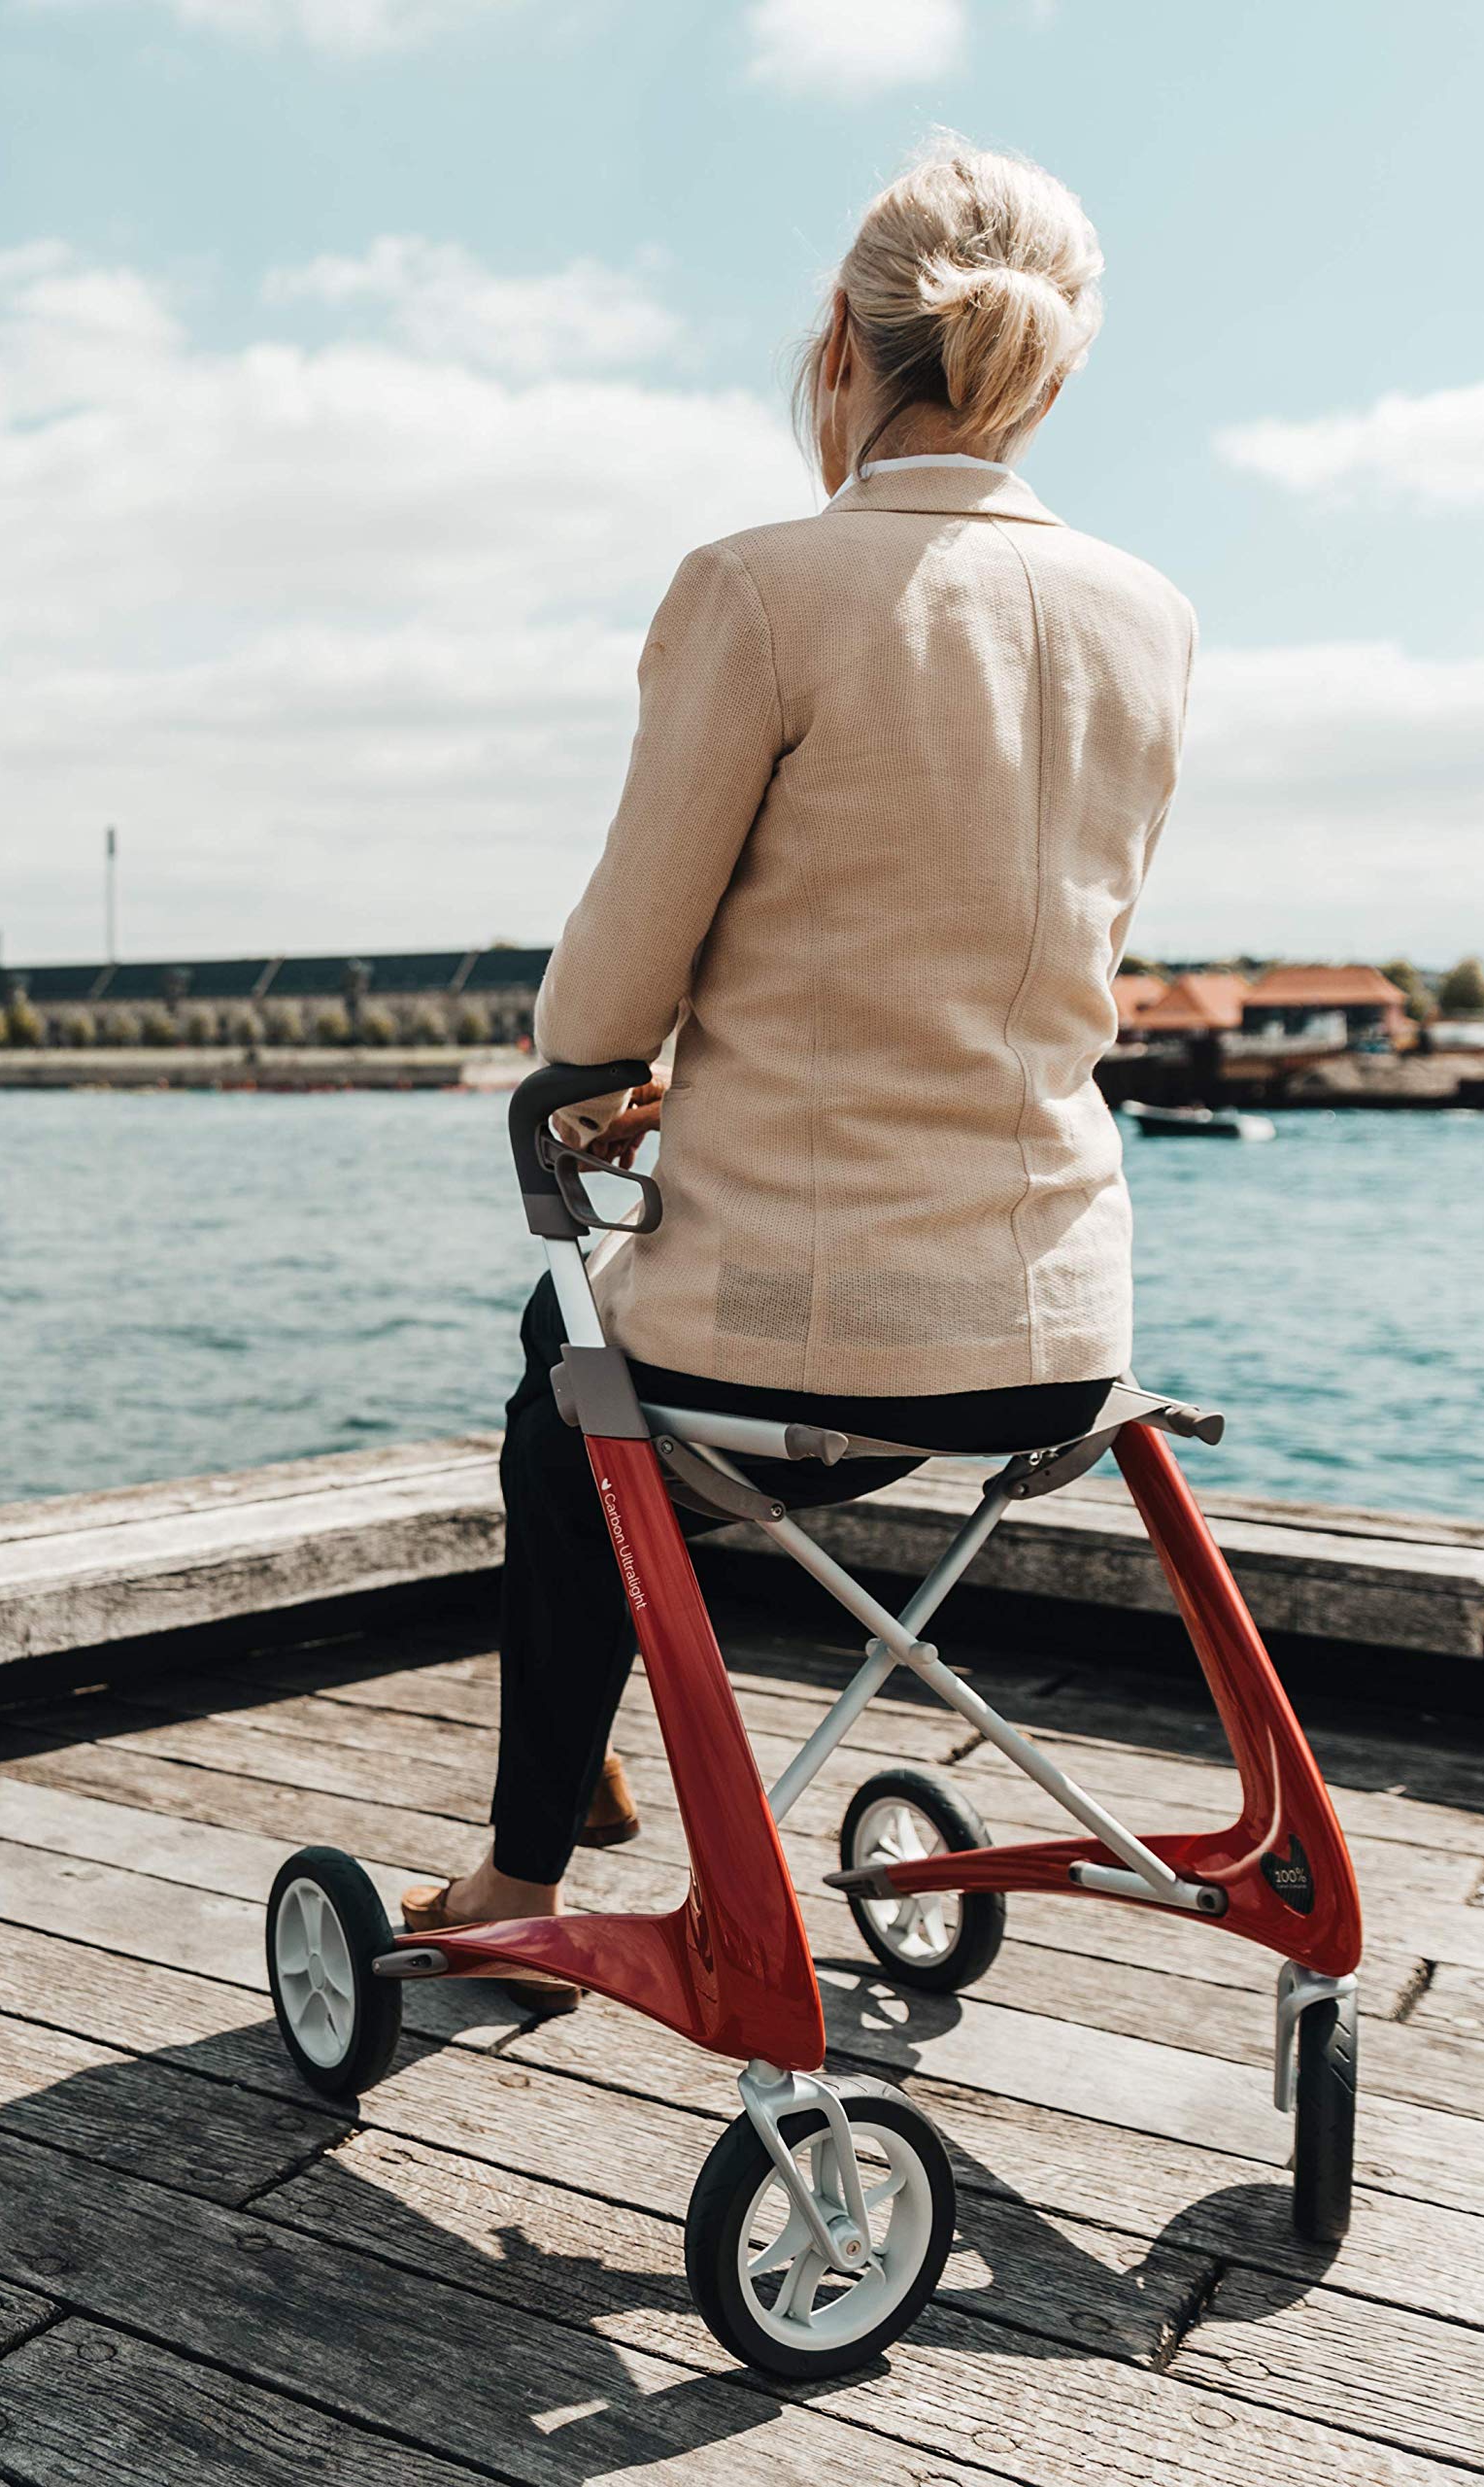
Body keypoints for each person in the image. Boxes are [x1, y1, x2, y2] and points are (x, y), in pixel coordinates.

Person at [405, 144, 1196, 1995]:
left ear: (840, 336)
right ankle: (567, 1752)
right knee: (591, 1409)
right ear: (1050, 370)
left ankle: (524, 1862)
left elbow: (607, 990)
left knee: (564, 1396)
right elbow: (1032, 961)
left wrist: (607, 1072)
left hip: (781, 1337)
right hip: (1047, 1342)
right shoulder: (1147, 615)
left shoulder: (764, 586)